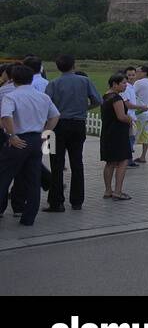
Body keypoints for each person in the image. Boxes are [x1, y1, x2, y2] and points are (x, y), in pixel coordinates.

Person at [0, 64, 60, 226]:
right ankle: (28, 218)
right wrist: (45, 132)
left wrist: (12, 135)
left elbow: (6, 116)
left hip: (19, 139)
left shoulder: (11, 96)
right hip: (36, 139)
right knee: (33, 180)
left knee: (4, 176)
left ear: (13, 80)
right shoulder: (43, 97)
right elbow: (55, 116)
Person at [43, 55, 101, 212]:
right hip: (78, 124)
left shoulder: (53, 83)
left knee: (56, 164)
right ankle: (77, 201)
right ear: (74, 65)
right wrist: (84, 109)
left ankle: (56, 202)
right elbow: (97, 100)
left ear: (58, 67)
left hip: (57, 125)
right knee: (77, 162)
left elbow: (46, 106)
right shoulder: (84, 81)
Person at [100, 74, 133, 201]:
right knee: (123, 161)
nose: (125, 85)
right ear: (115, 84)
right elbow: (121, 116)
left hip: (108, 132)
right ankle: (118, 191)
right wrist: (130, 119)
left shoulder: (106, 96)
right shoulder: (116, 98)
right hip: (118, 134)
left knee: (110, 162)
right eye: (123, 83)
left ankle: (108, 190)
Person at [132, 66, 148, 164]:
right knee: (146, 136)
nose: (135, 73)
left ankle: (128, 158)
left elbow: (131, 93)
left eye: (137, 71)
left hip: (139, 113)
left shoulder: (138, 83)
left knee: (133, 135)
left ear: (144, 73)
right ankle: (143, 156)